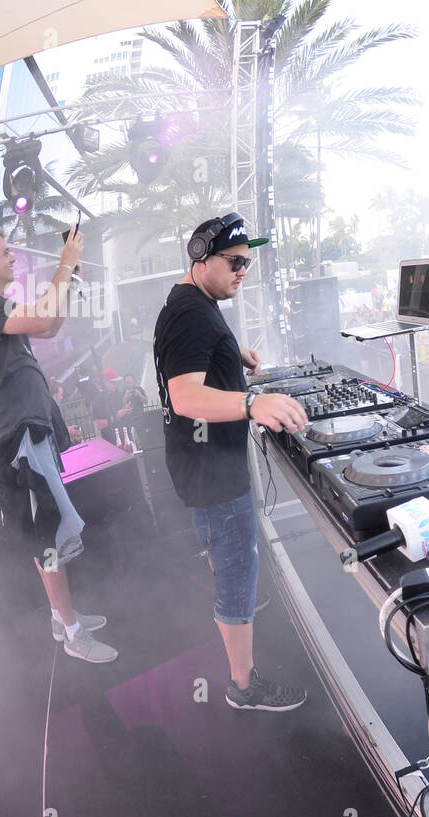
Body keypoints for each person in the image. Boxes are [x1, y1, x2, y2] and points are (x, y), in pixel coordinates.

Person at [153, 213, 310, 711]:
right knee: (239, 565)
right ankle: (243, 687)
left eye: (248, 263)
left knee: (231, 556)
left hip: (203, 466)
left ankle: (234, 595)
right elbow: (184, 397)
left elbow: (188, 358)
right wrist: (250, 404)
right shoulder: (191, 313)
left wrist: (228, 353)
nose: (244, 271)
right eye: (235, 262)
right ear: (201, 256)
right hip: (212, 474)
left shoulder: (194, 304)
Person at [0, 225, 118, 663]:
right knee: (47, 533)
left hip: (24, 434)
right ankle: (71, 633)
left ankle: (60, 616)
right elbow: (47, 320)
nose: (13, 259)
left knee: (41, 528)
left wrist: (68, 279)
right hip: (15, 440)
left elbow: (50, 327)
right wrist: (64, 263)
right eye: (7, 253)